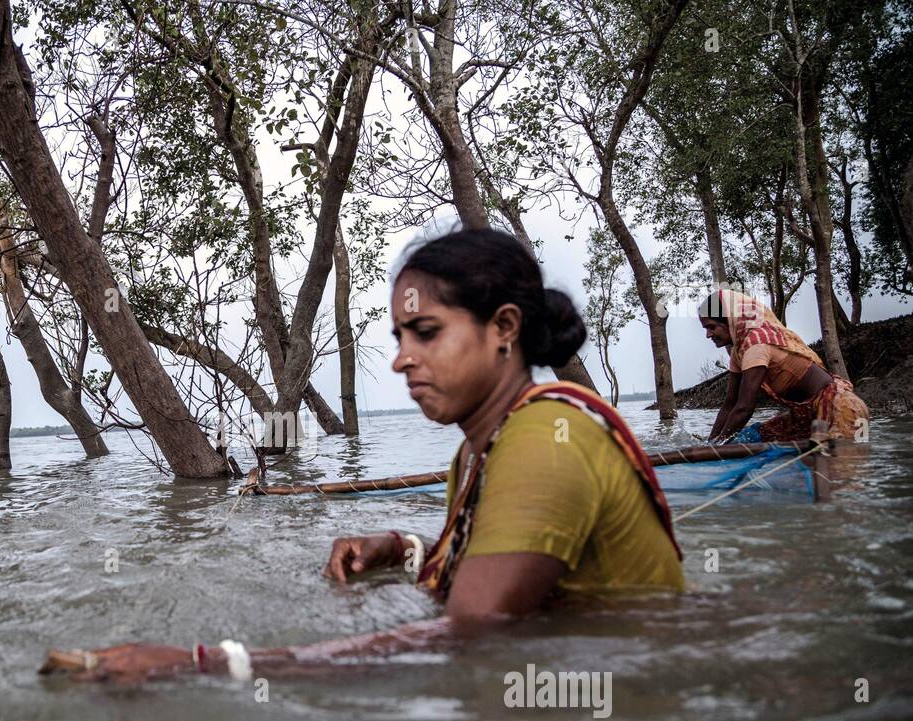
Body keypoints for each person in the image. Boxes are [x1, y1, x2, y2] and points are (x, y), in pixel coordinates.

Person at [45, 228, 684, 683]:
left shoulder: (545, 441)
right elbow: (491, 575)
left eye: (426, 333)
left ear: (505, 329)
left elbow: (474, 636)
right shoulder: (482, 451)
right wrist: (403, 548)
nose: (403, 358)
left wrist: (206, 664)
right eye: (400, 337)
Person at [698, 288, 869, 443]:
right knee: (753, 437)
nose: (707, 335)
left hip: (841, 411)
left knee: (832, 470)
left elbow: (744, 407)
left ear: (730, 320)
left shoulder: (756, 345)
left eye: (712, 327)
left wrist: (718, 446)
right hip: (807, 417)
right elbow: (730, 404)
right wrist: (711, 442)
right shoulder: (738, 352)